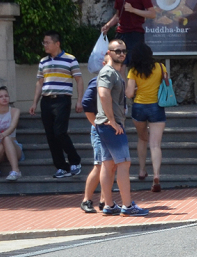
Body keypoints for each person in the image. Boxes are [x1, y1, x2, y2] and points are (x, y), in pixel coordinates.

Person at [94, 39, 149, 216]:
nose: (121, 54)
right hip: (111, 126)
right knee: (123, 164)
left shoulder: (115, 73)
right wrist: (112, 120)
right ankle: (127, 205)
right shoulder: (108, 73)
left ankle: (109, 205)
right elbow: (103, 94)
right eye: (117, 51)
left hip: (107, 125)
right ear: (108, 53)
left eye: (124, 51)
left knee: (108, 164)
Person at [30, 31, 83, 179]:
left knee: (60, 132)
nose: (45, 45)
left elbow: (79, 80)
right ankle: (61, 166)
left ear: (57, 43)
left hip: (62, 99)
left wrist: (79, 100)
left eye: (47, 42)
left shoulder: (70, 59)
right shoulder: (43, 61)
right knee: (50, 135)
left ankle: (75, 160)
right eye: (44, 42)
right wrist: (34, 102)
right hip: (46, 100)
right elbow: (40, 82)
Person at [125, 42, 167, 192]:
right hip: (157, 106)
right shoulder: (161, 67)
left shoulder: (133, 71)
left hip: (139, 107)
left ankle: (142, 170)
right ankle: (156, 175)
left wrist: (137, 88)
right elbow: (166, 84)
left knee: (142, 139)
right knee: (155, 144)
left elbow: (129, 94)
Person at [79, 61, 105, 214]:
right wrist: (96, 124)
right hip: (100, 129)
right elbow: (86, 103)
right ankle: (86, 200)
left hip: (112, 129)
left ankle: (104, 200)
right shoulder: (97, 81)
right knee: (99, 165)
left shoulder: (115, 79)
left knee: (109, 166)